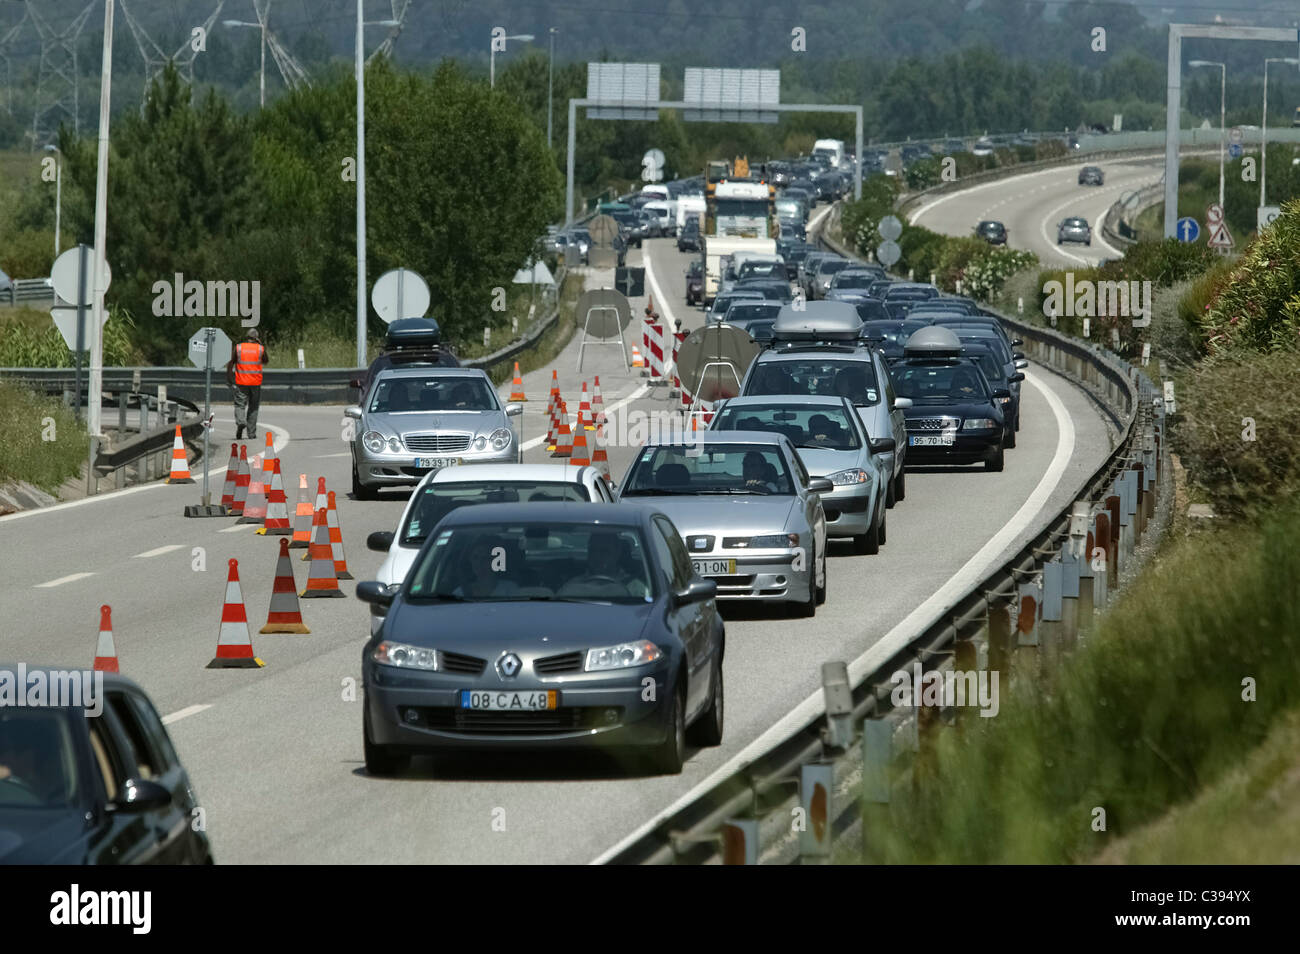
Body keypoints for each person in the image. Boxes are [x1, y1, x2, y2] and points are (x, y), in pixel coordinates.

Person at [226, 329, 267, 440]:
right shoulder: (260, 349)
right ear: (256, 338)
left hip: (241, 382)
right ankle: (251, 433)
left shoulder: (239, 348)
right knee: (253, 407)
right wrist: (261, 344)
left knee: (240, 405)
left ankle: (241, 422)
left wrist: (230, 378)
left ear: (247, 337)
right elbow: (266, 361)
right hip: (255, 383)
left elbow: (230, 363)